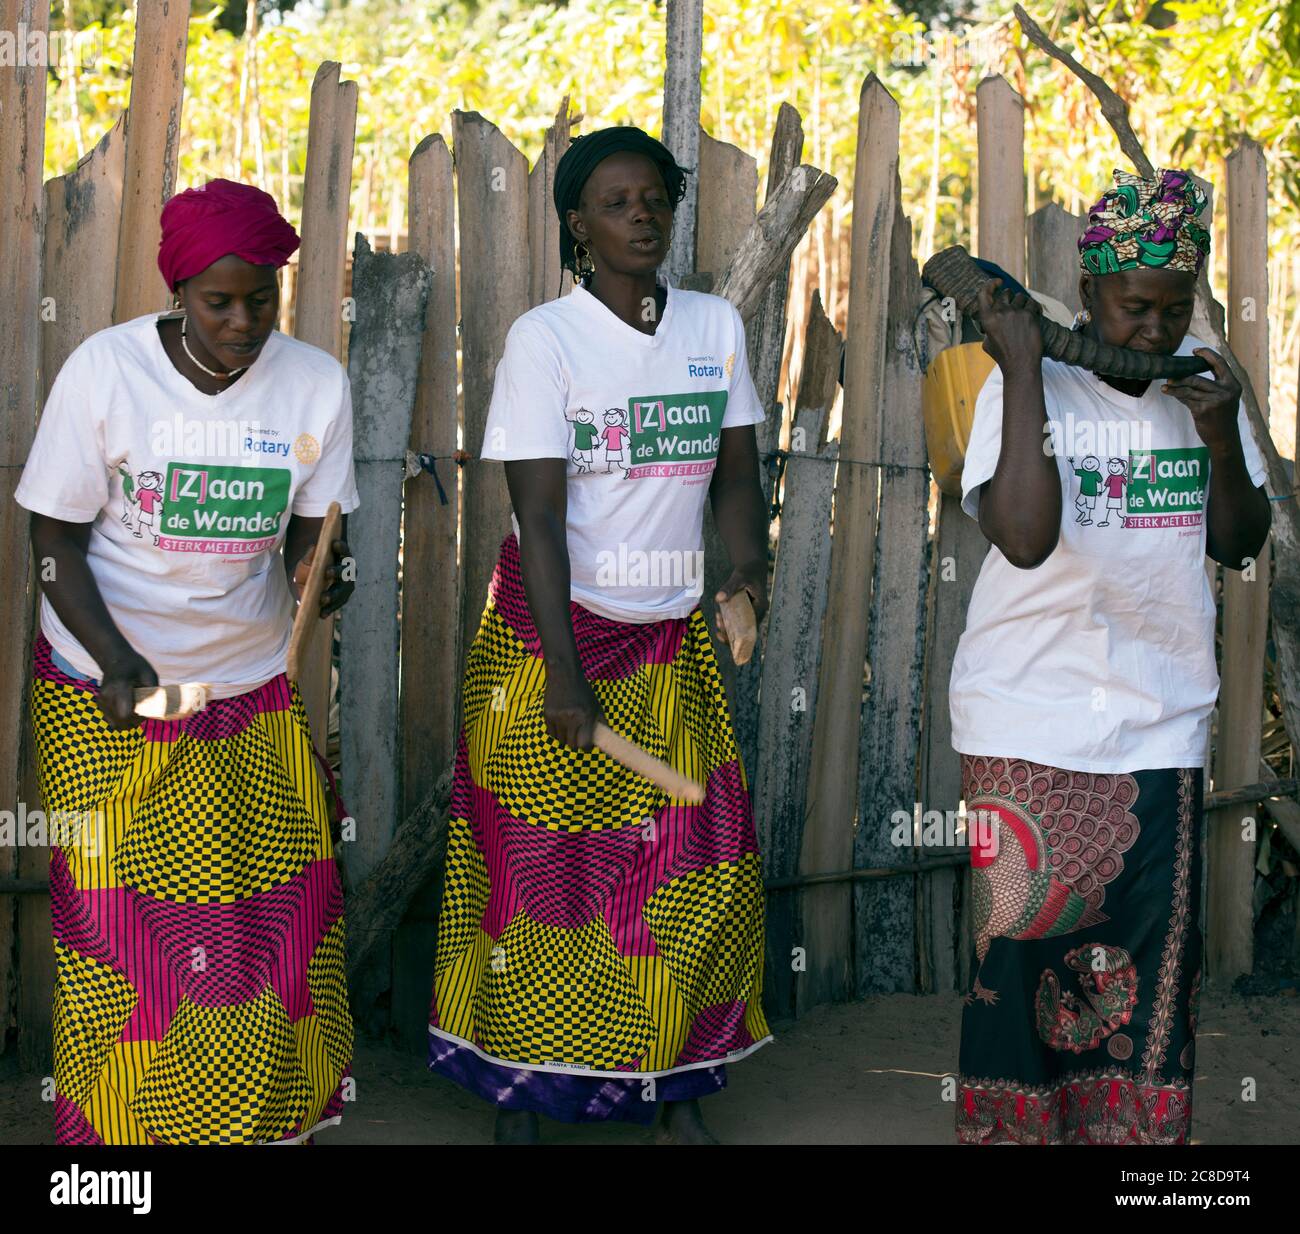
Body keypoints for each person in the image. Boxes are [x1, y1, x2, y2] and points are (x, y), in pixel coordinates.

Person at [427, 126, 772, 1144]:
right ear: (577, 226)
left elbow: (740, 473)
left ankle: (673, 1085)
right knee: (542, 878)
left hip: (669, 646)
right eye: (616, 202)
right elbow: (536, 519)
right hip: (550, 643)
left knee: (685, 876)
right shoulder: (548, 340)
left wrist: (743, 574)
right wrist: (565, 678)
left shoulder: (711, 329)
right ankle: (522, 1093)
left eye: (655, 197)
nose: (641, 215)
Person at [17, 179, 359, 1145]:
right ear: (179, 293)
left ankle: (251, 1127)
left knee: (266, 929)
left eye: (263, 299)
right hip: (106, 692)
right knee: (124, 943)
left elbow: (310, 530)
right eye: (220, 302)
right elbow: (52, 534)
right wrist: (119, 660)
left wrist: (318, 574)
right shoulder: (108, 372)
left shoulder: (313, 384)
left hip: (247, 689)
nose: (245, 320)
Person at [948, 167, 1270, 1144]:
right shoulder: (1034, 378)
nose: (1154, 330)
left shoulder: (1203, 376)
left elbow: (1237, 539)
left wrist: (1219, 435)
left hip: (1159, 720)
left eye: (1175, 308)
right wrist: (1018, 373)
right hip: (1025, 719)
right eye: (1133, 308)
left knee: (1146, 972)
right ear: (1087, 296)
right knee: (1018, 962)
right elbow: (1024, 535)